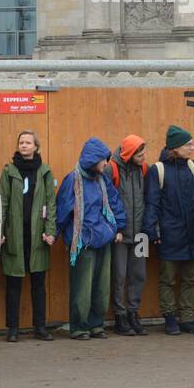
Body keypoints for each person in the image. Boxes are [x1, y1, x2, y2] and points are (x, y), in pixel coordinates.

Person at [144, 125, 194, 335]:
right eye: (188, 144)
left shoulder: (193, 168)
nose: (193, 148)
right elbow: (152, 204)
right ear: (176, 147)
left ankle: (187, 318)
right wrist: (152, 232)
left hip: (192, 235)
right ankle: (170, 318)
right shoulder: (158, 170)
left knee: (189, 279)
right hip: (168, 236)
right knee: (168, 280)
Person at [56, 138, 126, 339]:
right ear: (93, 159)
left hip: (103, 239)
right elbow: (63, 209)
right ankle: (79, 327)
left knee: (102, 286)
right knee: (82, 288)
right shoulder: (73, 180)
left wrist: (119, 227)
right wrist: (56, 233)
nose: (106, 164)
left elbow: (115, 203)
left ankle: (96, 324)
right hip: (82, 242)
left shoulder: (102, 180)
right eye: (103, 160)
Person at [0, 129, 57, 342]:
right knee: (13, 284)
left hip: (37, 236)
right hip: (15, 235)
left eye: (28, 142)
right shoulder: (9, 171)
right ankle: (13, 328)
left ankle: (40, 326)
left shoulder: (44, 172)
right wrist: (0, 231)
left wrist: (50, 231)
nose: (24, 145)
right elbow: (2, 202)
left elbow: (51, 203)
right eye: (21, 142)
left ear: (36, 147)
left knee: (38, 283)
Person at [109, 134, 149, 335]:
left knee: (139, 275)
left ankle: (133, 312)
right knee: (119, 275)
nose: (143, 157)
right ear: (130, 153)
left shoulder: (143, 169)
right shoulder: (112, 169)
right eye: (140, 153)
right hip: (120, 234)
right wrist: (115, 228)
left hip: (140, 233)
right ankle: (120, 315)